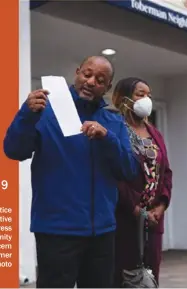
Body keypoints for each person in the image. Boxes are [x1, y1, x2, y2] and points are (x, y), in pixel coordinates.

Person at [3, 56, 138, 288]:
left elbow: (128, 170)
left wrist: (107, 138)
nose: (91, 81)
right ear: (77, 73)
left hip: (102, 232)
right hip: (56, 230)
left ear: (107, 87)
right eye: (87, 74)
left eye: (100, 79)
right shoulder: (44, 111)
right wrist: (26, 115)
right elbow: (14, 151)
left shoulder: (114, 122)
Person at [111, 77, 172, 287]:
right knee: (124, 275)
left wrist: (161, 206)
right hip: (125, 218)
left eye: (149, 95)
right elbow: (112, 174)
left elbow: (166, 172)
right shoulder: (115, 129)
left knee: (150, 277)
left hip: (153, 221)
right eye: (140, 94)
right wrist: (134, 208)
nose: (146, 99)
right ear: (123, 98)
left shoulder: (155, 133)